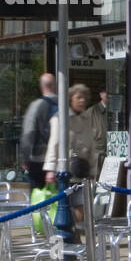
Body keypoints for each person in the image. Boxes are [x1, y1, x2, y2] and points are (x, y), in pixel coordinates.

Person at [43, 84, 106, 242]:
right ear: (70, 99)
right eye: (78, 97)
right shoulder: (59, 119)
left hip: (81, 170)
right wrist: (50, 169)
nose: (82, 101)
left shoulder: (86, 118)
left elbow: (91, 146)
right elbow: (54, 144)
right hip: (64, 171)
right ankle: (71, 238)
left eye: (84, 97)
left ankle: (73, 234)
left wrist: (92, 170)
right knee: (65, 206)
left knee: (81, 207)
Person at [19, 73, 58, 189]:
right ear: (55, 86)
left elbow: (28, 132)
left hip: (39, 159)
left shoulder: (36, 105)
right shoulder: (64, 105)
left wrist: (25, 157)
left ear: (41, 87)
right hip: (60, 159)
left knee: (38, 198)